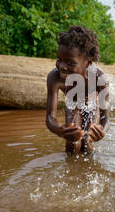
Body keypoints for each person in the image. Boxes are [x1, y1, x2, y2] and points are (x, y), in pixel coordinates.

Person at [46, 25, 109, 154]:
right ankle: (71, 171)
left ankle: (88, 169)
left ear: (88, 61)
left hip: (92, 105)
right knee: (72, 145)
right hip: (73, 106)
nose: (62, 66)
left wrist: (102, 130)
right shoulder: (55, 77)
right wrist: (61, 131)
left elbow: (105, 116)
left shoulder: (99, 78)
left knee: (86, 143)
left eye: (70, 63)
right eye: (59, 60)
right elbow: (50, 117)